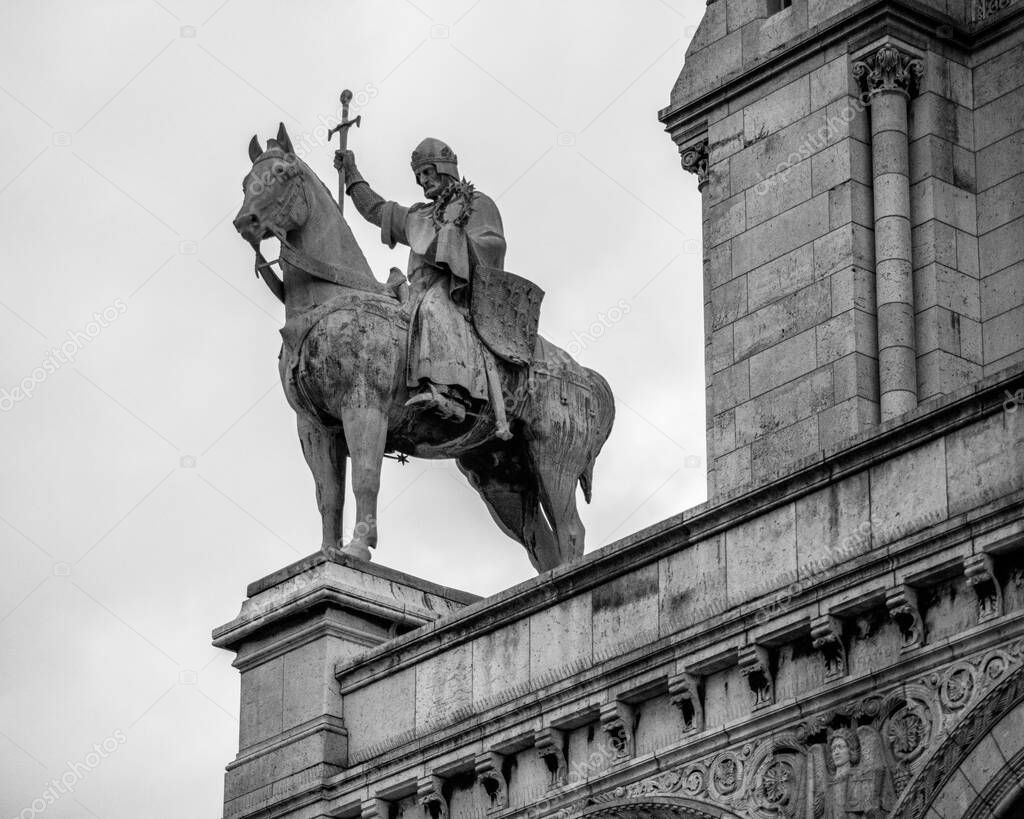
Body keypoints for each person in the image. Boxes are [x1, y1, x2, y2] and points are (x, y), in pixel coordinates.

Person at [335, 138, 506, 422]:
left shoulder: (475, 203)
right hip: (417, 288)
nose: (422, 180)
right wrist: (352, 175)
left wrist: (454, 243)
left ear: (445, 167)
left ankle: (451, 393)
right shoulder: (419, 215)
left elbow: (493, 245)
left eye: (427, 172)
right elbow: (377, 211)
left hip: (455, 291)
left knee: (433, 307)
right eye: (418, 176)